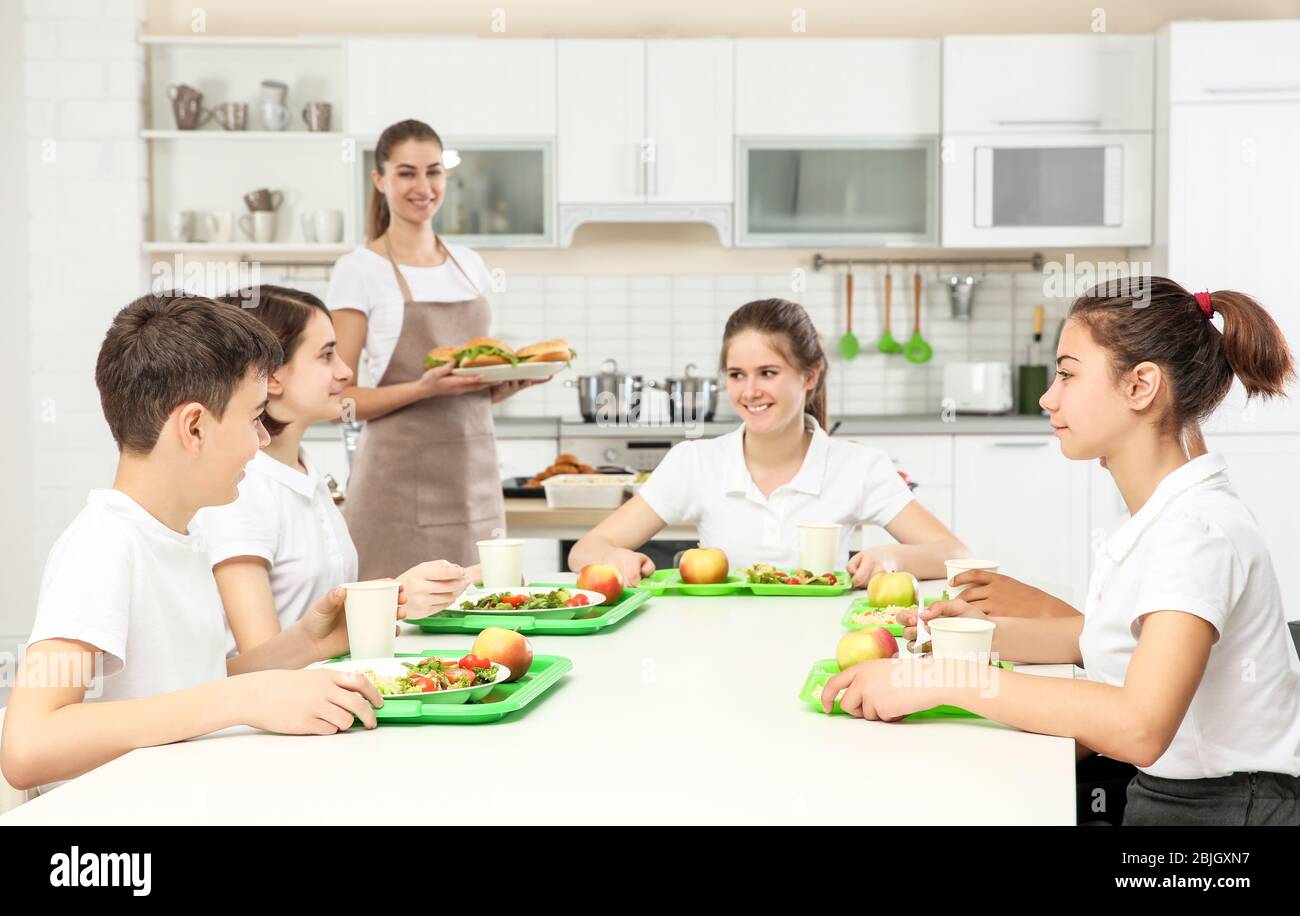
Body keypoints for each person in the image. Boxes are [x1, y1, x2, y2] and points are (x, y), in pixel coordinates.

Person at [825, 277, 1300, 826]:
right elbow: (1114, 641)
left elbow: (1139, 725)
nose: (1048, 397)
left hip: (1224, 816)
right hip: (1182, 798)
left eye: (1068, 373)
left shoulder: (1196, 532)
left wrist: (941, 680)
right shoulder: (1170, 515)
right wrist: (964, 641)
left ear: (1141, 385)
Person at [2, 293, 392, 792]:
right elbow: (27, 746)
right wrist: (239, 700)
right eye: (254, 417)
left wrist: (308, 644)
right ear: (194, 427)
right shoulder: (103, 546)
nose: (264, 439)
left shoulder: (186, 534)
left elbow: (186, 688)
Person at [569, 298, 968, 585]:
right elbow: (585, 550)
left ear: (808, 376)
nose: (750, 391)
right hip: (716, 647)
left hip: (821, 647)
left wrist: (894, 557)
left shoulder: (858, 466)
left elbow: (957, 556)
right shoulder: (695, 462)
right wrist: (614, 556)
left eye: (768, 372)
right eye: (737, 375)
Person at [194, 285, 472, 655]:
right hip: (275, 708)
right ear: (270, 375)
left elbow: (323, 613)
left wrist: (442, 587)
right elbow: (263, 662)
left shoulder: (303, 470)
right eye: (326, 356)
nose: (345, 372)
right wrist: (394, 601)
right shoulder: (240, 489)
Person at [327, 119, 544, 576]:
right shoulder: (360, 270)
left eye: (434, 171)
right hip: (394, 492)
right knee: (399, 632)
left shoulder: (470, 264)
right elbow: (338, 399)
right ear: (380, 179)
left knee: (486, 618)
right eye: (406, 173)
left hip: (474, 482)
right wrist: (425, 389)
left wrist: (504, 383)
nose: (422, 186)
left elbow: (467, 386)